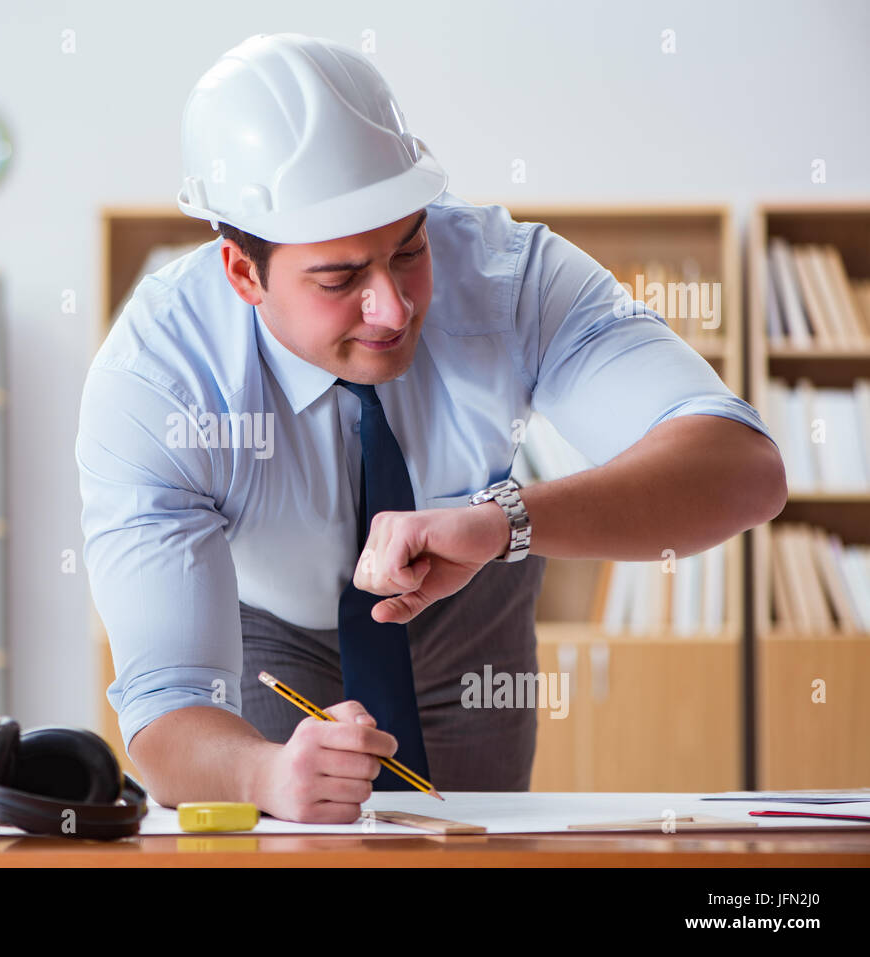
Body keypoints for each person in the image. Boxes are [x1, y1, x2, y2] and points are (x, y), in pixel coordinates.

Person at [75, 33, 786, 823]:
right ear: (244, 271)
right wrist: (260, 774)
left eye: (408, 249)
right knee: (295, 831)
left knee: (476, 840)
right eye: (340, 277)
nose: (394, 306)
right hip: (266, 631)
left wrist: (505, 521)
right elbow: (166, 704)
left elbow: (745, 468)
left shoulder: (509, 277)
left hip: (472, 602)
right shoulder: (155, 378)